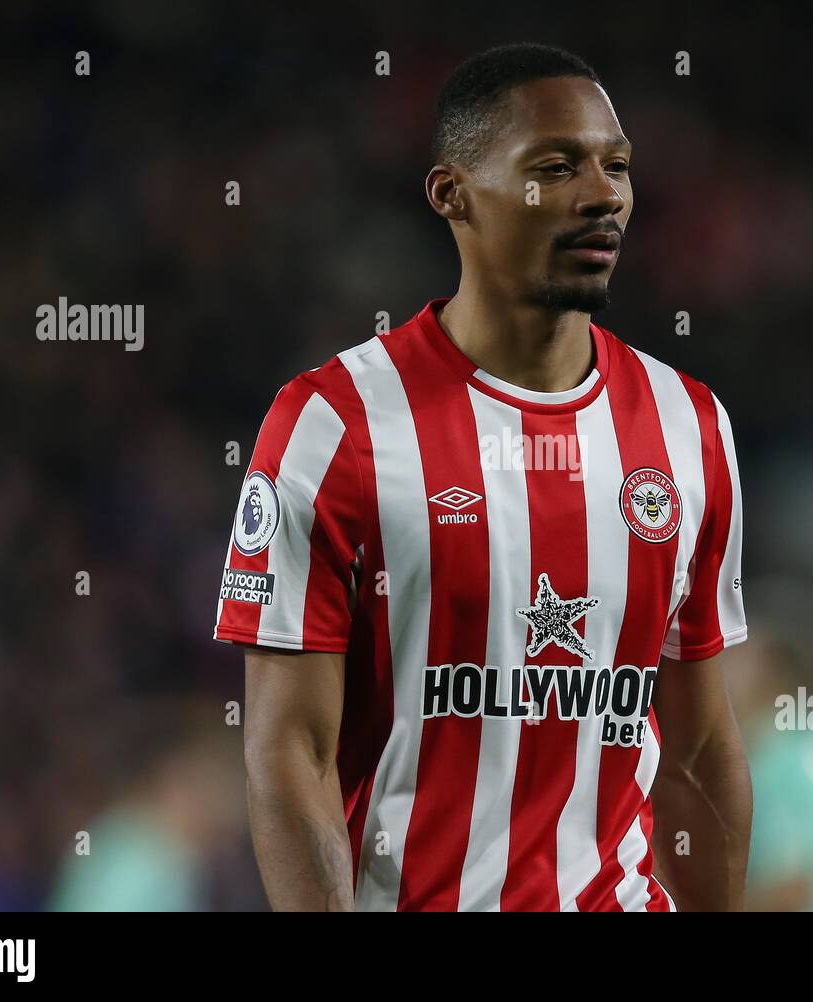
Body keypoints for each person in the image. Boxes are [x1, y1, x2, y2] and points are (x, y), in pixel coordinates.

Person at [214, 42, 751, 911]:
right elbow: (290, 755)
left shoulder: (690, 426)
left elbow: (698, 749)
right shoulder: (333, 425)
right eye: (556, 165)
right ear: (451, 193)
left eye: (616, 166)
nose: (603, 193)